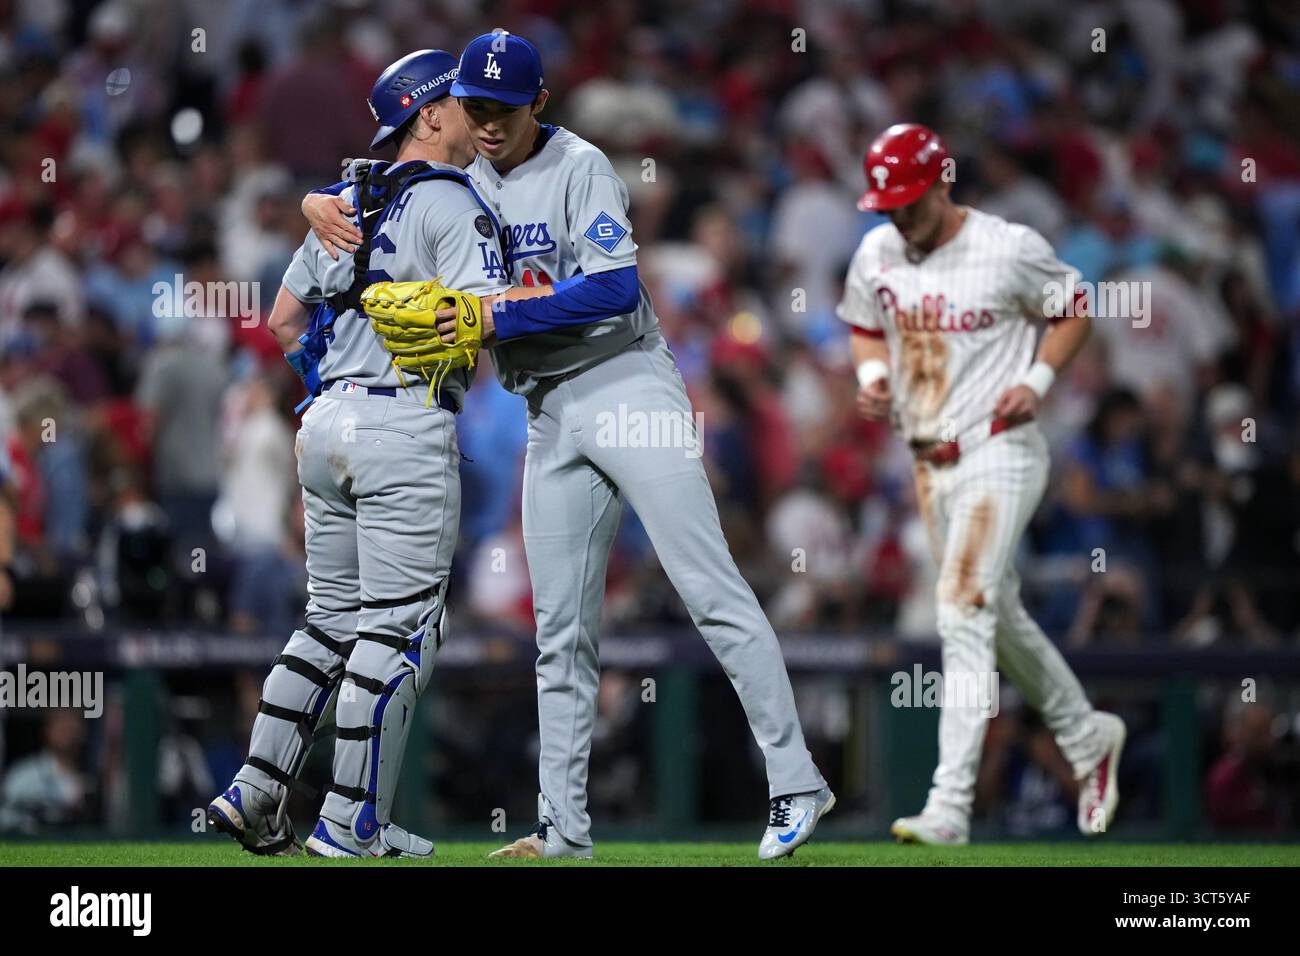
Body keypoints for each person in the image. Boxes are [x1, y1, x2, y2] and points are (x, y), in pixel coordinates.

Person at [304, 31, 831, 860]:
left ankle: (798, 783)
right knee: (560, 632)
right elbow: (378, 188)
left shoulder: (580, 165)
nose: (483, 123)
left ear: (537, 103)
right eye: (473, 107)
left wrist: (490, 316)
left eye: (501, 111)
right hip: (546, 406)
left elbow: (615, 286)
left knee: (707, 585)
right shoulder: (460, 177)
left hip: (628, 385)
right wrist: (316, 205)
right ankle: (563, 830)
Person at [206, 49, 508, 858]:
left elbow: (279, 321)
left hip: (324, 422)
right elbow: (483, 315)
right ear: (430, 114)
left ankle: (257, 789)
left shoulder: (342, 201)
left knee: (330, 622)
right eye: (461, 102)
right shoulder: (453, 203)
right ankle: (350, 820)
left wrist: (337, 370)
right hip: (403, 426)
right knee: (400, 630)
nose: (477, 115)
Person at [841, 124, 1125, 844]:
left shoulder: (1008, 246)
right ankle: (1086, 734)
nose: (899, 217)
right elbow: (865, 323)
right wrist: (872, 375)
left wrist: (1038, 378)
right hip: (929, 463)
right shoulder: (878, 250)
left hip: (1001, 450)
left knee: (962, 608)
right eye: (889, 204)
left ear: (945, 181)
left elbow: (1074, 307)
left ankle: (950, 805)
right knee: (995, 614)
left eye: (910, 200)